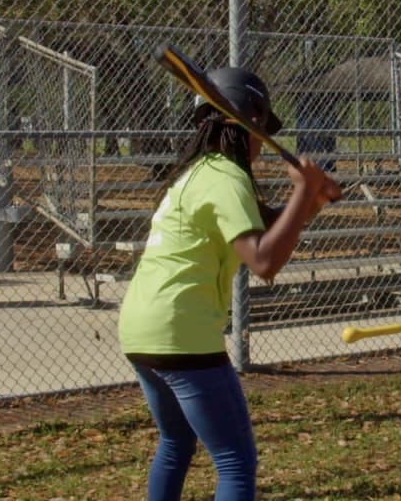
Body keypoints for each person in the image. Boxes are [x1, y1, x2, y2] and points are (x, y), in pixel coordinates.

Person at [117, 67, 340, 501]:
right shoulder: (226, 177)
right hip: (182, 333)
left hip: (142, 330)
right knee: (236, 462)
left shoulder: (198, 173)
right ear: (243, 126)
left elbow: (270, 232)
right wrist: (303, 191)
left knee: (176, 442)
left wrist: (309, 201)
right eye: (260, 131)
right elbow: (264, 261)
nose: (261, 143)